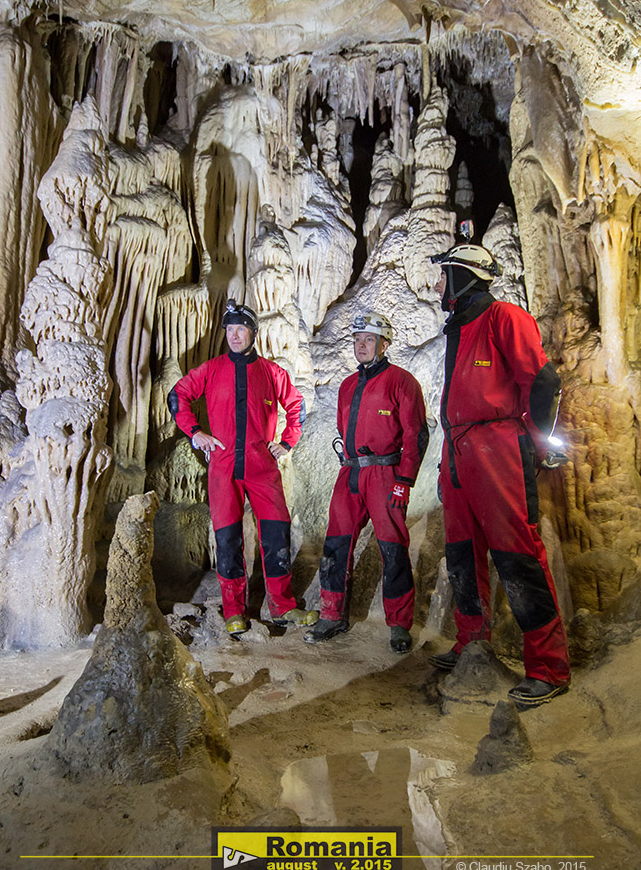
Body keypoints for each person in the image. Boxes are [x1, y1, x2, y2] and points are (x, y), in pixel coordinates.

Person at [429, 240, 571, 709]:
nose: (438, 284)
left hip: (497, 446)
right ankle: (473, 640)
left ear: (465, 276)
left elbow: (544, 381)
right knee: (461, 552)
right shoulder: (458, 329)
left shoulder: (504, 317)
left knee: (517, 554)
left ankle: (548, 668)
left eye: (445, 274)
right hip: (458, 449)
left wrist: (534, 438)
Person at [169, 299, 317, 636]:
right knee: (228, 539)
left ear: (253, 332)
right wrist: (196, 433)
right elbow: (178, 397)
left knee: (277, 536)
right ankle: (234, 611)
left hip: (261, 465)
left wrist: (288, 440)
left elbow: (297, 405)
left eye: (241, 329)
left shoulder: (270, 372)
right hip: (223, 468)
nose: (234, 336)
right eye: (230, 330)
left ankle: (283, 606)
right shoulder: (211, 369)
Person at [304, 312, 429, 653]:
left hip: (385, 474)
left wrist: (404, 479)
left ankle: (399, 624)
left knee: (392, 547)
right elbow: (343, 428)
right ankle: (331, 615)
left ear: (384, 344)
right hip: (351, 471)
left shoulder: (402, 382)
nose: (361, 345)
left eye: (369, 339)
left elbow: (416, 434)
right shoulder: (347, 385)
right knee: (336, 544)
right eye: (357, 339)